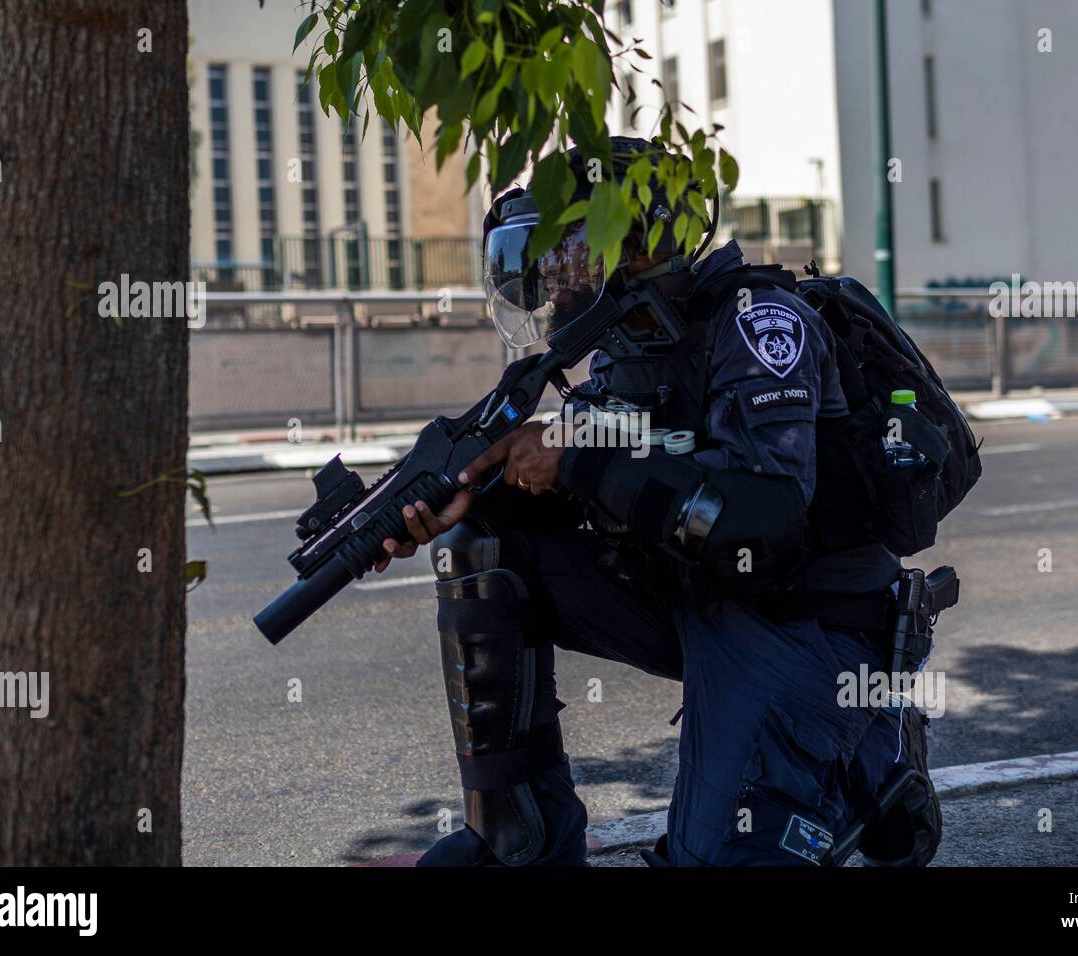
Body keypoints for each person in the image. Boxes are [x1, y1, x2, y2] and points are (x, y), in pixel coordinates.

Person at [372, 137, 941, 867]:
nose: (555, 279)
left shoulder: (759, 322)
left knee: (716, 859)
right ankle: (522, 835)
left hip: (805, 620)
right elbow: (614, 489)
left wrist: (576, 456)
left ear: (641, 243)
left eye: (572, 248)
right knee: (484, 545)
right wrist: (476, 496)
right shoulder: (627, 346)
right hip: (698, 596)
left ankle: (877, 754)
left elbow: (759, 515)